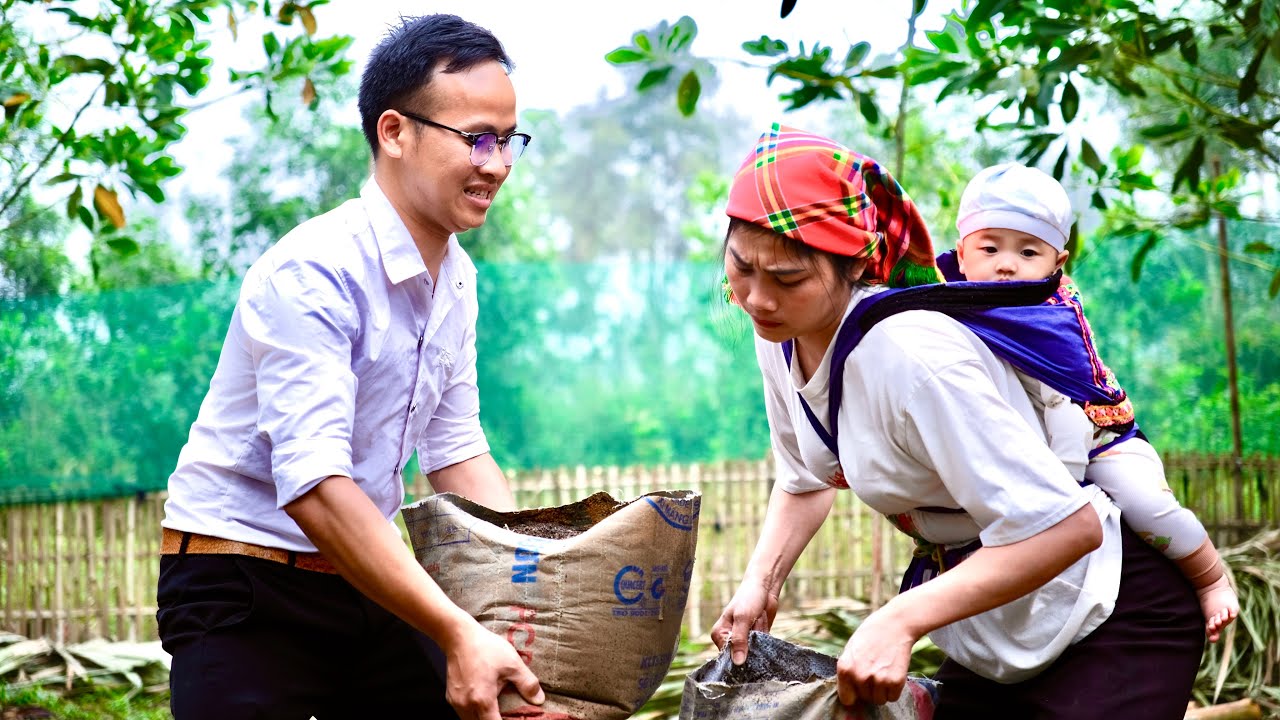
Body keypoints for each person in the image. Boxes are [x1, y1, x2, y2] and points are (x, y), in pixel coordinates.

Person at [712, 123, 1204, 717]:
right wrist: (759, 586)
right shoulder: (783, 330)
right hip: (994, 622)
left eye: (788, 278)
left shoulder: (911, 356)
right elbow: (807, 478)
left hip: (1111, 608)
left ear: (856, 266)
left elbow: (1067, 527)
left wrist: (898, 619)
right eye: (743, 269)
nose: (759, 298)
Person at [156, 14, 543, 720]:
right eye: (477, 139)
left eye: (510, 139)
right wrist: (457, 628)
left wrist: (540, 575)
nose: (498, 163)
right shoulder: (315, 271)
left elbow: (456, 451)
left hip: (370, 580)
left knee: (494, 702)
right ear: (394, 132)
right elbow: (313, 484)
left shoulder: (457, 281)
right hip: (244, 579)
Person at [946, 161, 1239, 642]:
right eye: (990, 247)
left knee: (1149, 507)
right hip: (1026, 449)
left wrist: (1062, 486)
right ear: (962, 253)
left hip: (1100, 440)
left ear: (1056, 264)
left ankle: (1210, 578)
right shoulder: (948, 304)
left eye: (1027, 252)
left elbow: (1066, 411)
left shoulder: (1052, 319)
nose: (1006, 264)